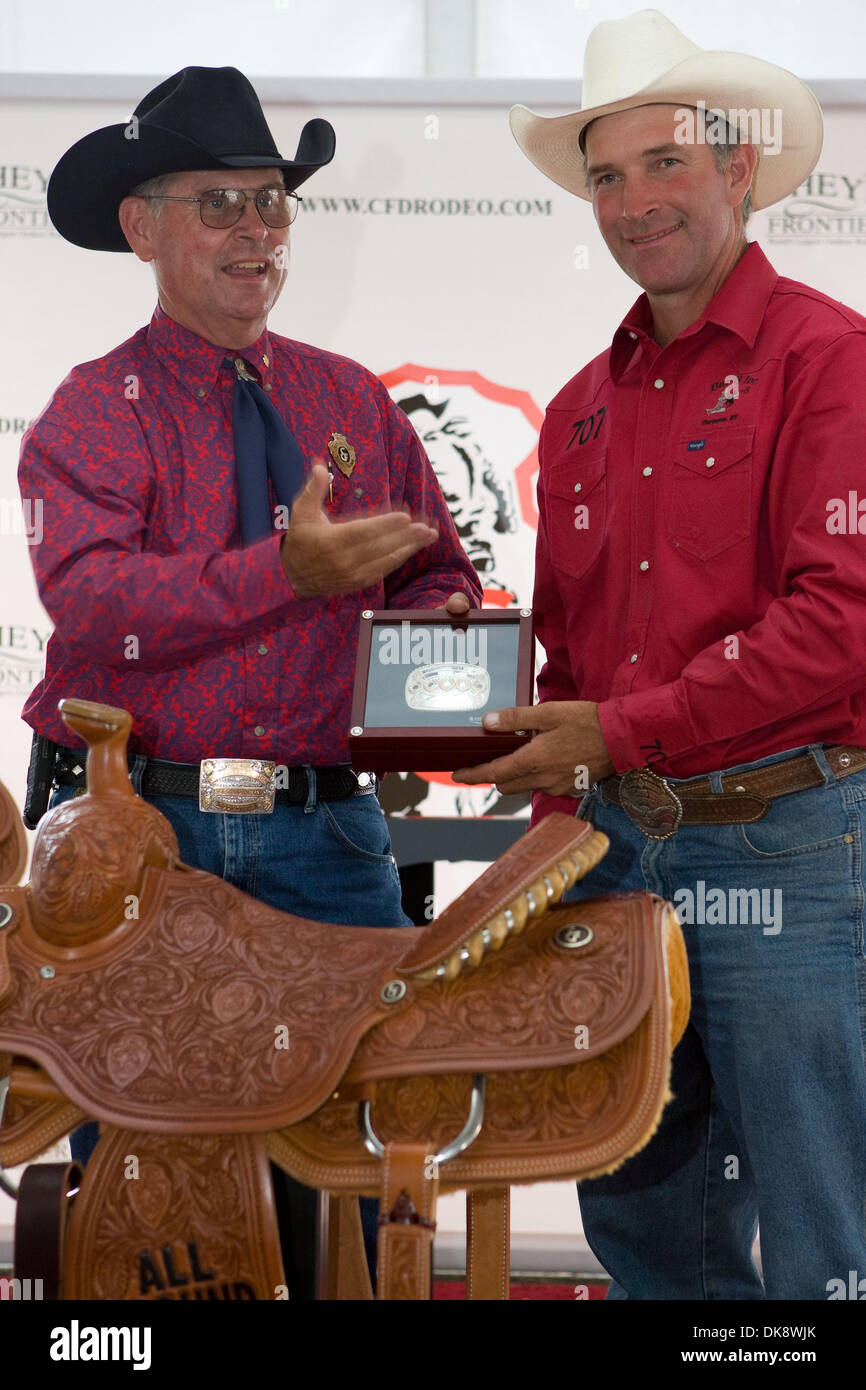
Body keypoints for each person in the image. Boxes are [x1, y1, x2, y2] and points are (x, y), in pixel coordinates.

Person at [18, 64, 482, 1296]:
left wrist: (439, 634)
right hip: (139, 835)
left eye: (273, 204)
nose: (257, 232)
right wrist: (289, 567)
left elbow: (437, 576)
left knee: (369, 1151)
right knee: (140, 1184)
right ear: (143, 226)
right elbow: (99, 606)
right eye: (220, 203)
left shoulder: (347, 399)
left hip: (328, 828)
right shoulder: (90, 411)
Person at [454, 10, 866, 1300]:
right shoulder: (578, 405)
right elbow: (567, 656)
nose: (634, 202)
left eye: (665, 163)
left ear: (739, 171)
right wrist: (546, 819)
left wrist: (612, 736)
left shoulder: (831, 361)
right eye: (605, 175)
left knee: (821, 1224)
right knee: (636, 1211)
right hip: (615, 850)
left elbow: (841, 616)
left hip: (786, 839)